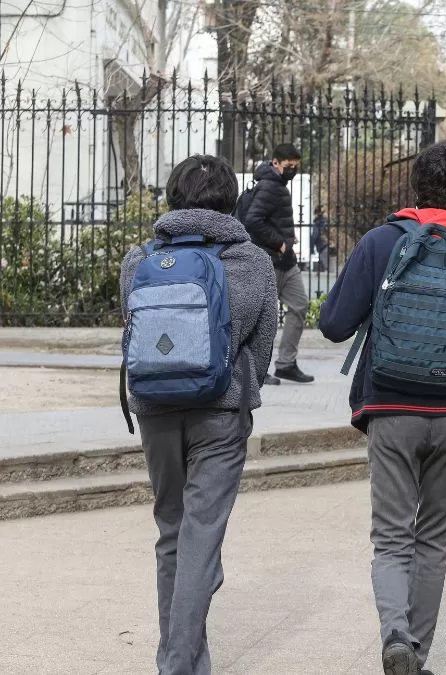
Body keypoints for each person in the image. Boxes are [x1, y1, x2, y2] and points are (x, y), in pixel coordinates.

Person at [318, 142, 446, 675]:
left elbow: (334, 324)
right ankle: (417, 655)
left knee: (391, 537)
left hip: (390, 407)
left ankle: (395, 638)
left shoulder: (382, 241)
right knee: (433, 539)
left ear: (416, 185)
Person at [120, 155, 278, 675]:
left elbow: (134, 329)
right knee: (202, 537)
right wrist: (238, 387)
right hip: (221, 413)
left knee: (172, 531)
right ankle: (179, 665)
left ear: (172, 197)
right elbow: (262, 342)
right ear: (231, 198)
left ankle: (182, 656)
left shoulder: (139, 258)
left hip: (156, 411)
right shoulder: (250, 261)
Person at [240, 142, 313, 385]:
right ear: (275, 163)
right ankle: (261, 368)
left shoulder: (277, 185)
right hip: (271, 260)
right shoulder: (271, 186)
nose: (292, 170)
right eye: (288, 166)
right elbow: (252, 221)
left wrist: (287, 239)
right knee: (266, 316)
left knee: (299, 306)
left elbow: (270, 219)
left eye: (295, 166)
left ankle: (285, 364)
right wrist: (280, 242)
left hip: (284, 261)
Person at [311, 205, 331, 272]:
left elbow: (314, 236)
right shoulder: (327, 221)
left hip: (322, 245)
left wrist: (311, 248)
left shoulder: (317, 222)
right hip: (328, 244)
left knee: (328, 268)